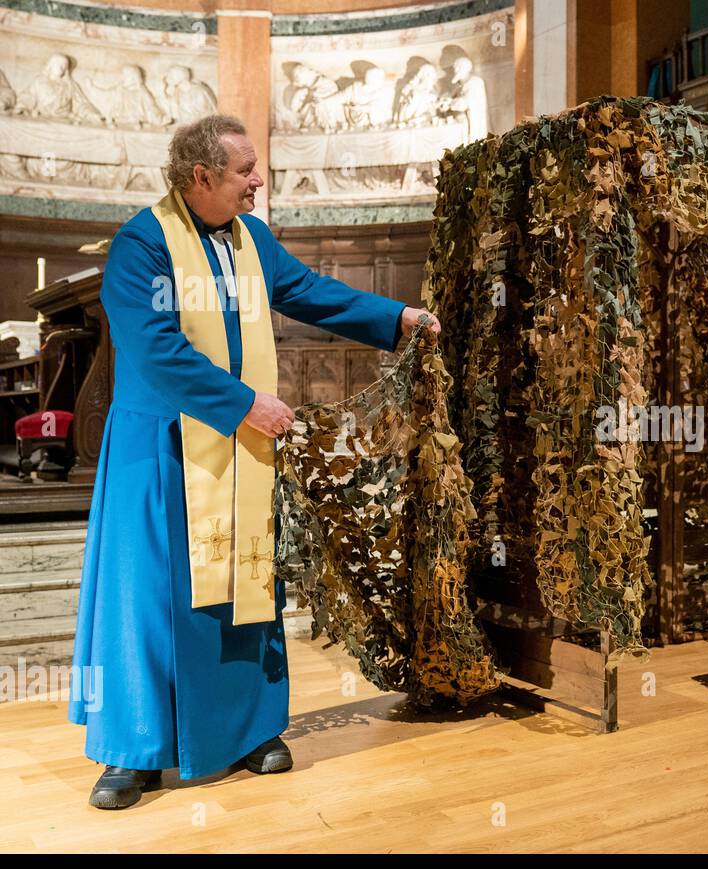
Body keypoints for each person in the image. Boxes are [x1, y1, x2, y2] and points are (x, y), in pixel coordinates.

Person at [68, 113, 440, 810]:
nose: (258, 181)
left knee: (246, 584)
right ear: (201, 176)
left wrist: (397, 319)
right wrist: (243, 402)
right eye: (245, 170)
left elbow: (310, 292)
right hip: (158, 448)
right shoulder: (141, 246)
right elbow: (153, 347)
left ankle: (249, 729)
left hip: (239, 442)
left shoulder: (252, 239)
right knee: (147, 595)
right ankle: (133, 750)